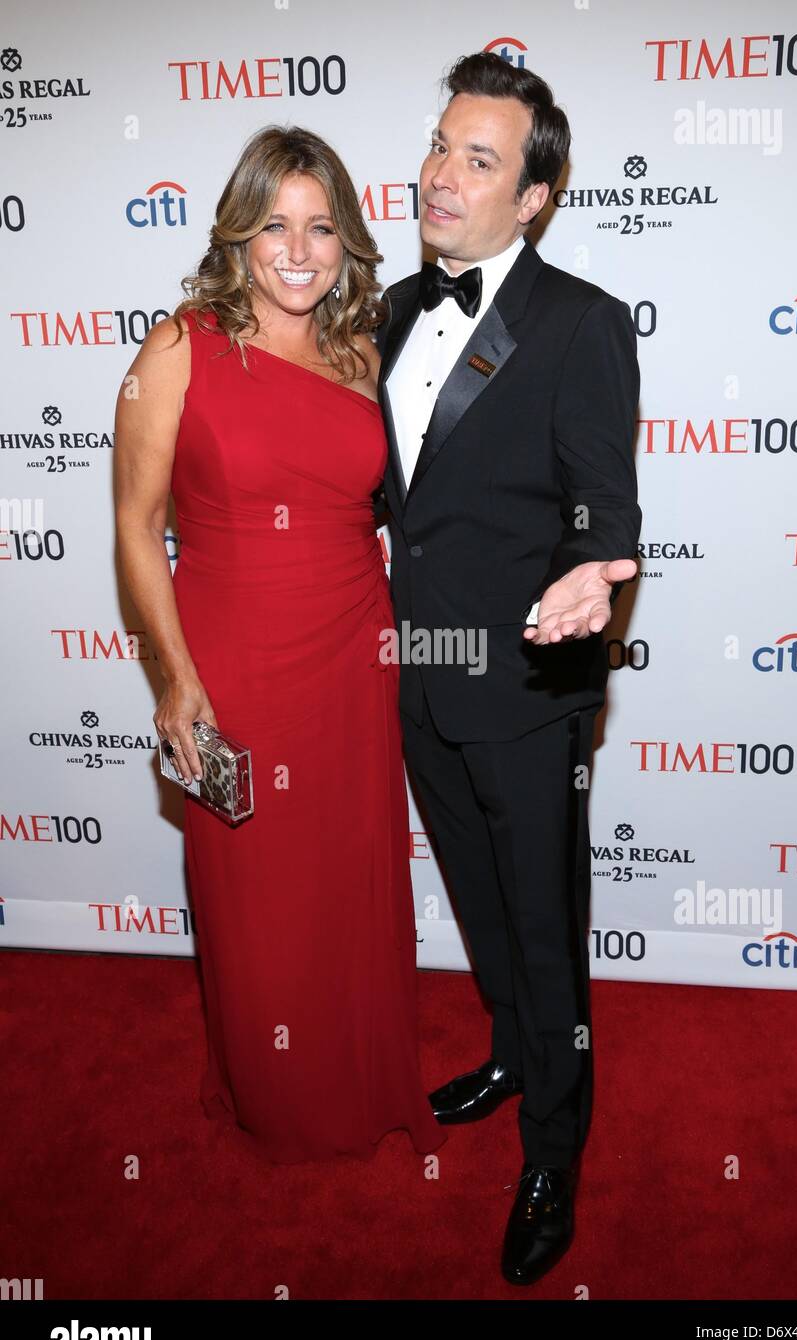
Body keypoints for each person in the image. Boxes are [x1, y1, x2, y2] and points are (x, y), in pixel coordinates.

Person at [114, 124, 446, 1166]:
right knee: (256, 893)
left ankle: (355, 1074)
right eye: (273, 226)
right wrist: (174, 684)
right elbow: (134, 524)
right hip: (235, 659)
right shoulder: (178, 346)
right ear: (237, 234)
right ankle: (277, 1091)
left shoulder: (358, 351)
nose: (297, 250)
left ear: (346, 239)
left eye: (319, 227)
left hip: (355, 651)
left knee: (348, 880)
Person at [376, 52, 641, 1283]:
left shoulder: (580, 321)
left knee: (544, 926)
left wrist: (599, 566)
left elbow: (602, 502)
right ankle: (508, 1051)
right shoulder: (383, 311)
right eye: (439, 146)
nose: (440, 174)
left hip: (530, 689)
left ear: (531, 195)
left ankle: (554, 1146)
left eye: (476, 160)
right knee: (481, 904)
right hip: (422, 671)